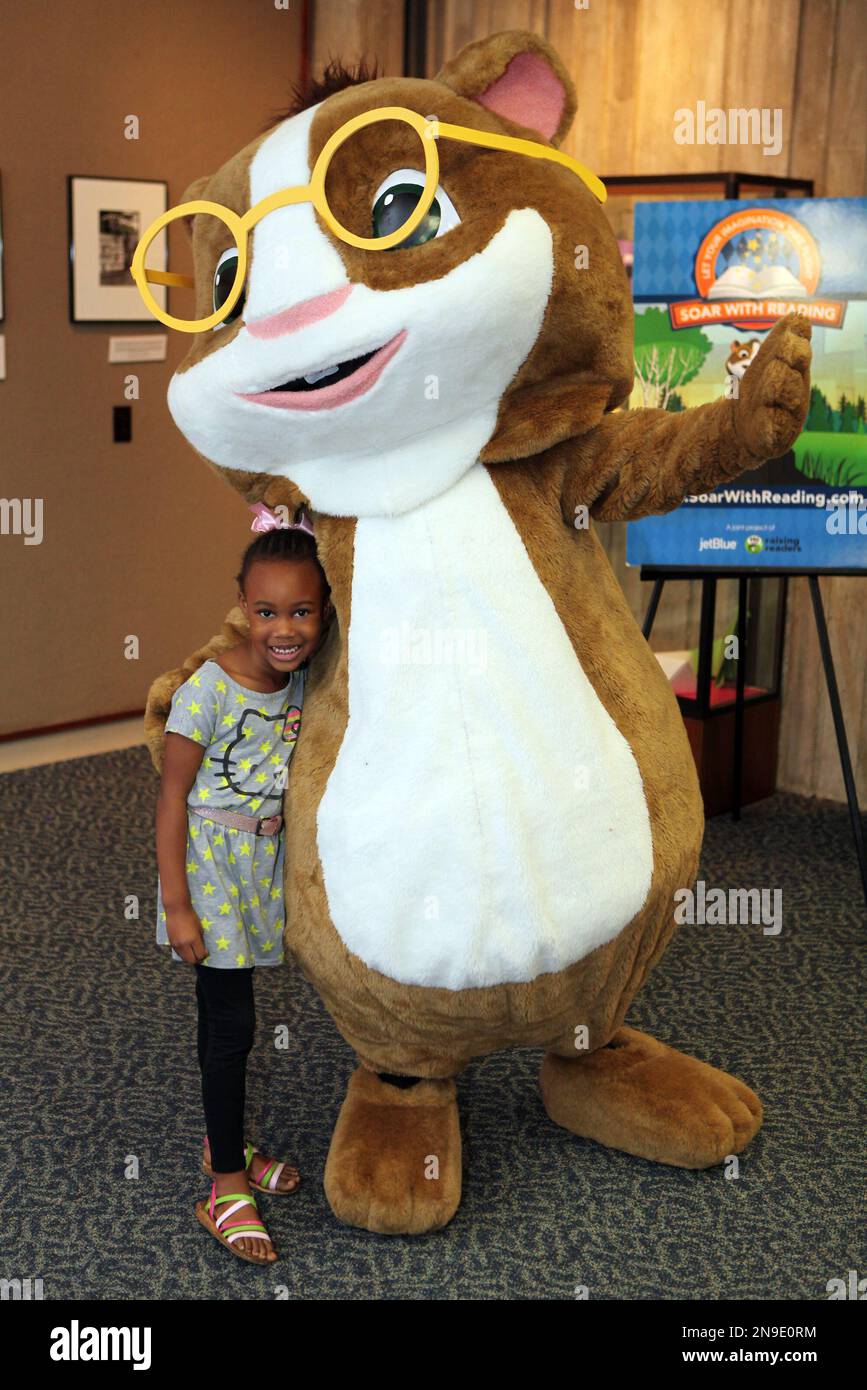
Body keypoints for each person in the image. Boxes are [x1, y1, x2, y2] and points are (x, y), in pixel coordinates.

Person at [155, 504, 333, 1263]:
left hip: (263, 868)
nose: (282, 629)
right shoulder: (208, 691)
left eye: (301, 611)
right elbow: (169, 799)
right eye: (265, 612)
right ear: (241, 605)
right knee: (229, 1029)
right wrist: (176, 905)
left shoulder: (299, 682)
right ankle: (225, 1183)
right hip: (209, 870)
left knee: (240, 1021)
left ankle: (224, 1143)